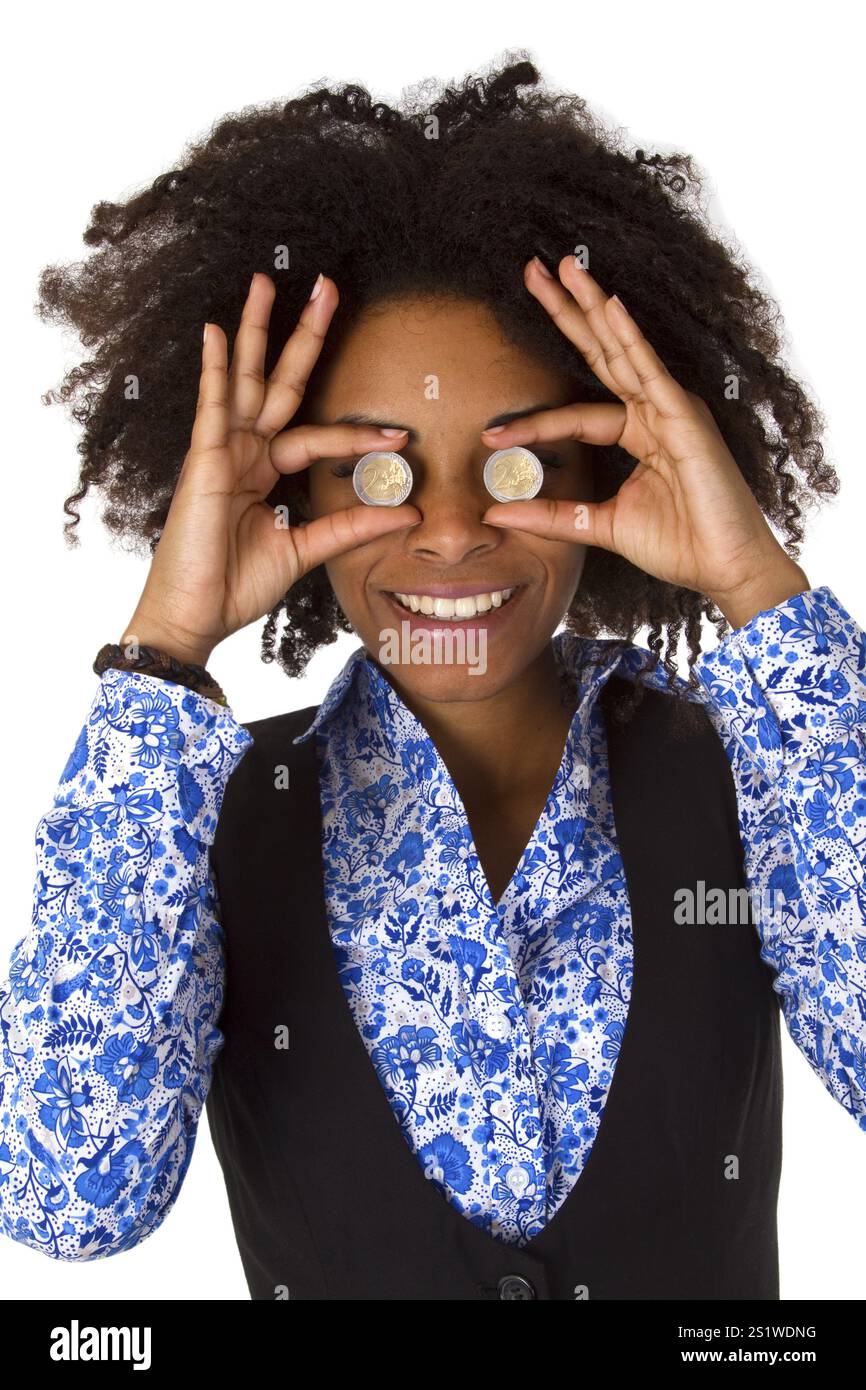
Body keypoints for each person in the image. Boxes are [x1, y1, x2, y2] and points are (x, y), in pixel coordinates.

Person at [1, 55, 863, 1301]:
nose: (451, 531)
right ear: (280, 489)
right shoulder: (199, 818)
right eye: (377, 469)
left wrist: (759, 591)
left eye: (514, 463)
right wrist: (166, 648)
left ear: (602, 470)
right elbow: (65, 1195)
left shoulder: (752, 762)